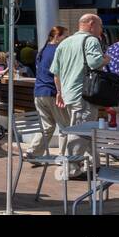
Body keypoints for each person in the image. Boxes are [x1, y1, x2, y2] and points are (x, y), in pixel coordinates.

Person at [50, 13, 106, 174]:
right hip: (84, 95)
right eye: (100, 26)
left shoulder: (64, 43)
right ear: (91, 24)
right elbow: (95, 63)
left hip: (68, 95)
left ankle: (93, 167)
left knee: (85, 131)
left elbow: (56, 73)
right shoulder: (91, 40)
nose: (101, 30)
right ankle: (71, 169)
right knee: (80, 133)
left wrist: (60, 92)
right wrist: (106, 59)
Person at [29, 26, 68, 158]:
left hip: (39, 92)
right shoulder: (59, 50)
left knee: (47, 126)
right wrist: (60, 92)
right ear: (57, 37)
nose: (67, 40)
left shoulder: (42, 50)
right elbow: (57, 73)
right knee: (65, 127)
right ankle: (64, 158)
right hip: (52, 92)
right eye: (65, 37)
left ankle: (33, 152)